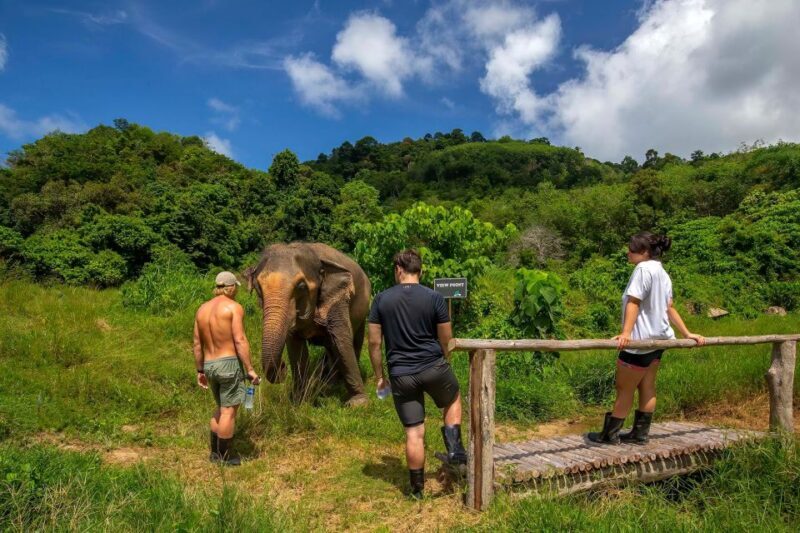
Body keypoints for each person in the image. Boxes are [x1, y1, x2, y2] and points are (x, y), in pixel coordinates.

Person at [588, 233, 705, 445]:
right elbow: (669, 308)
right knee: (647, 386)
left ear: (644, 252)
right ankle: (640, 434)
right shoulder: (662, 273)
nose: (628, 252)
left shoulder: (642, 269)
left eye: (632, 249)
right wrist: (687, 334)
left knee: (625, 388)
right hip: (659, 340)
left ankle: (610, 434)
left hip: (639, 342)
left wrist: (626, 334)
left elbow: (634, 302)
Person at [367, 250, 467, 498]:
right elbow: (446, 337)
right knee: (453, 399)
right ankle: (455, 451)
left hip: (401, 374)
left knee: (414, 431)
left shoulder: (381, 300)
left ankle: (417, 491)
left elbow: (374, 343)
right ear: (419, 271)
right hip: (433, 366)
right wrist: (446, 359)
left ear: (398, 270)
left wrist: (380, 376)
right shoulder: (434, 298)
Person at [193, 271, 260, 465]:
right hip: (228, 363)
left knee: (221, 409)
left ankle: (214, 454)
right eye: (236, 287)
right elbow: (239, 339)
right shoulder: (233, 307)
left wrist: (200, 371)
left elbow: (197, 344)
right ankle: (226, 457)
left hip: (210, 364)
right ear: (231, 288)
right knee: (229, 411)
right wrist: (249, 368)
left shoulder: (202, 310)